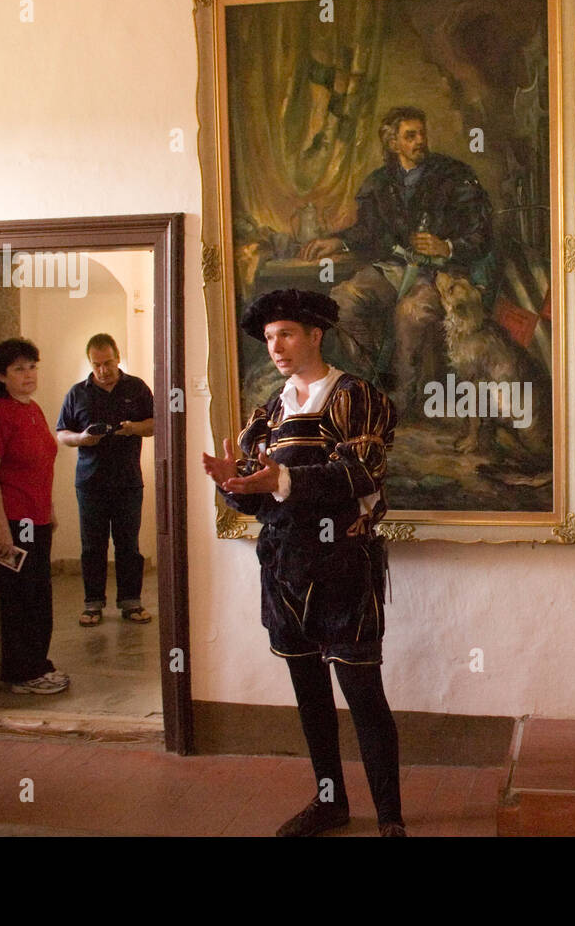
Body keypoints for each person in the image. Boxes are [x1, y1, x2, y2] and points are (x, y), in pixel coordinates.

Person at [202, 287, 405, 837]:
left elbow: (361, 476)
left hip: (343, 565)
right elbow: (259, 499)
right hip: (284, 569)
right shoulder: (268, 412)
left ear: (316, 334)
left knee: (363, 696)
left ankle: (390, 818)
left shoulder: (354, 397)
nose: (276, 346)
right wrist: (232, 483)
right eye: (269, 337)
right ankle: (330, 802)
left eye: (286, 333)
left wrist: (283, 478)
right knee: (309, 694)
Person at [298, 105, 494, 406]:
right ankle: (367, 383)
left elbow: (482, 234)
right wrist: (338, 241)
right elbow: (368, 231)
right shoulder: (379, 183)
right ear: (393, 144)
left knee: (411, 313)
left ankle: (402, 400)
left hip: (441, 273)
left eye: (421, 134)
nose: (420, 141)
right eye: (410, 136)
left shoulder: (453, 177)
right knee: (342, 300)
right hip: (395, 268)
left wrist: (447, 246)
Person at [0, 338, 68, 694]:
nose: (28, 375)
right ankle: (21, 674)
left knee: (39, 595)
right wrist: (1, 529)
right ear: (1, 376)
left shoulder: (33, 409)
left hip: (35, 518)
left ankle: (37, 665)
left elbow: (41, 465)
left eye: (32, 367)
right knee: (20, 599)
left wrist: (51, 509)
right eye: (18, 369)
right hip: (8, 520)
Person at [56, 334, 155, 626]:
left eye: (108, 362)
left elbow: (156, 423)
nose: (103, 370)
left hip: (128, 481)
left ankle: (131, 602)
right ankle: (92, 603)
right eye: (97, 364)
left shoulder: (136, 388)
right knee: (92, 546)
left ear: (118, 357)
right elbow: (62, 433)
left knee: (128, 544)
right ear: (90, 363)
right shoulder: (77, 393)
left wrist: (134, 428)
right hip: (90, 483)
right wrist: (82, 439)